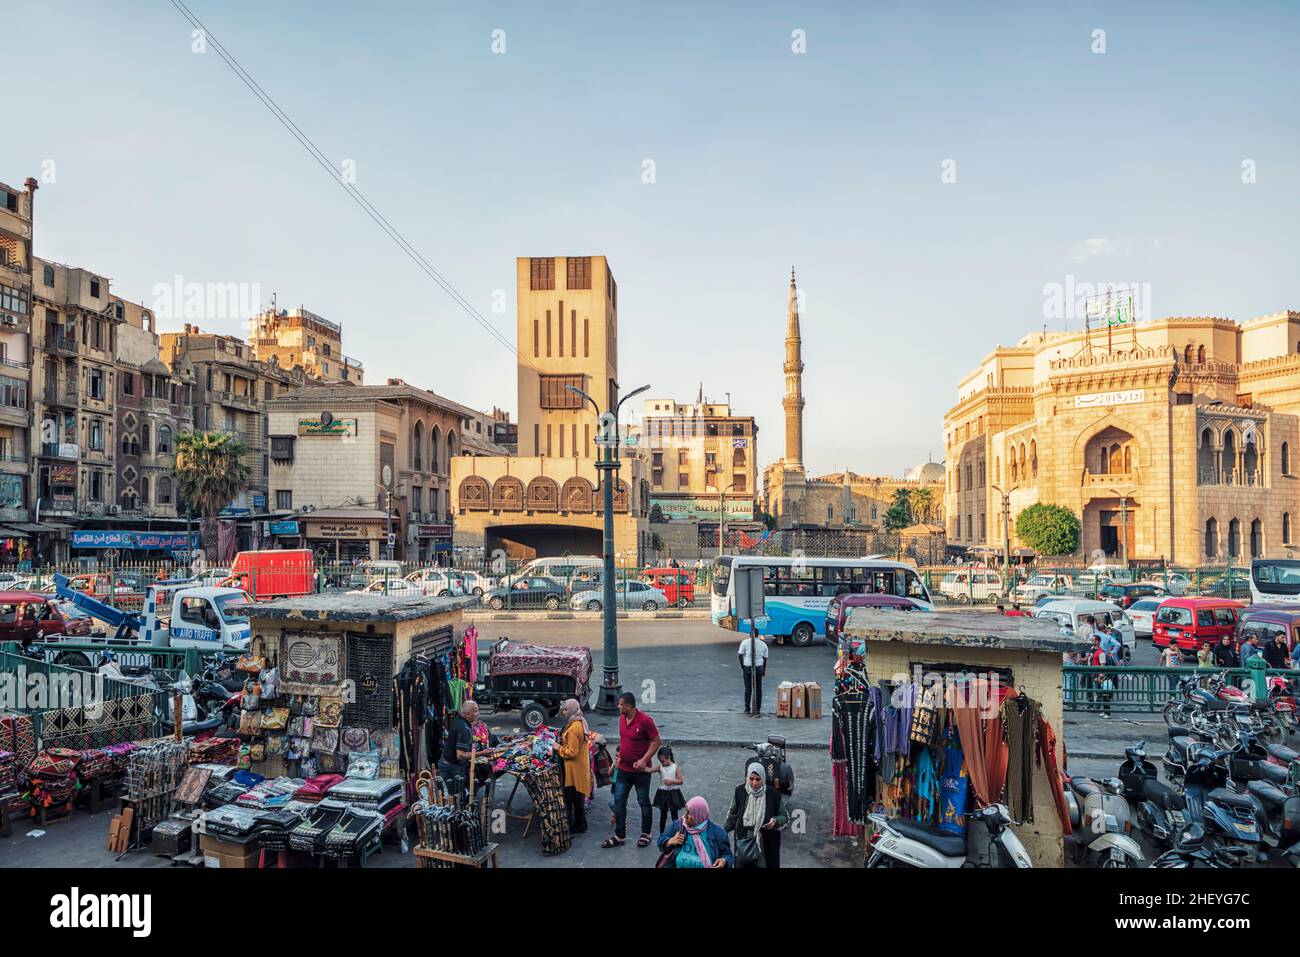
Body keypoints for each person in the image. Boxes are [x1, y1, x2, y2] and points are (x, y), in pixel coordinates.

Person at [602, 692, 660, 849]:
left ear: (629, 706)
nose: (618, 706)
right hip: (623, 770)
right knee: (619, 802)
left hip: (640, 772)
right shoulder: (622, 719)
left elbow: (656, 741)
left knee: (643, 802)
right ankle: (620, 835)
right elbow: (624, 741)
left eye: (620, 704)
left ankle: (645, 834)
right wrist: (617, 761)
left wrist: (643, 760)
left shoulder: (645, 721)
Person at [724, 761, 788, 868]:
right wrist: (723, 831)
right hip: (744, 840)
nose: (754, 783)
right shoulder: (740, 791)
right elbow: (733, 814)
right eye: (751, 779)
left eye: (758, 779)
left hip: (764, 842)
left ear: (763, 778)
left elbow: (784, 816)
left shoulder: (773, 795)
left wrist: (775, 821)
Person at [438, 700, 496, 794]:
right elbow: (460, 755)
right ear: (467, 714)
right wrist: (483, 753)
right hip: (452, 767)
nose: (478, 713)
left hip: (448, 763)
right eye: (475, 711)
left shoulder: (458, 720)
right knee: (458, 797)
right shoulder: (463, 728)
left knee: (457, 796)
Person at [656, 796, 732, 868]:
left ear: (698, 815)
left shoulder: (717, 833)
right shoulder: (679, 825)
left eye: (689, 813)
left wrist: (724, 860)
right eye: (686, 811)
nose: (685, 816)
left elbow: (728, 855)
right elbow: (660, 840)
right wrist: (670, 841)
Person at [555, 698, 592, 835]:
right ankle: (581, 825)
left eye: (565, 709)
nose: (563, 712)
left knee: (571, 798)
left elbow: (572, 752)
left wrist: (558, 748)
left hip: (573, 769)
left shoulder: (573, 728)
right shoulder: (580, 721)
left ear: (571, 710)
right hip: (580, 767)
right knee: (578, 799)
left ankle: (574, 826)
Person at [650, 745, 685, 834]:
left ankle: (677, 832)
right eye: (660, 761)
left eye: (662, 761)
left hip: (673, 793)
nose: (661, 763)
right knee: (663, 814)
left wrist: (672, 781)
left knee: (674, 814)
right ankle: (662, 832)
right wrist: (641, 766)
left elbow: (681, 781)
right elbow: (649, 770)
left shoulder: (675, 767)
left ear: (668, 757)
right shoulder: (660, 767)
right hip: (663, 793)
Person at [738, 630, 770, 714]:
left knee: (748, 688)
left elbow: (740, 655)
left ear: (749, 634)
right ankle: (758, 708)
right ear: (757, 635)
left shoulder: (744, 642)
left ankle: (747, 708)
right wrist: (764, 669)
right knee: (758, 688)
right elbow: (765, 658)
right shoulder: (763, 644)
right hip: (759, 667)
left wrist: (742, 666)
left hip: (747, 666)